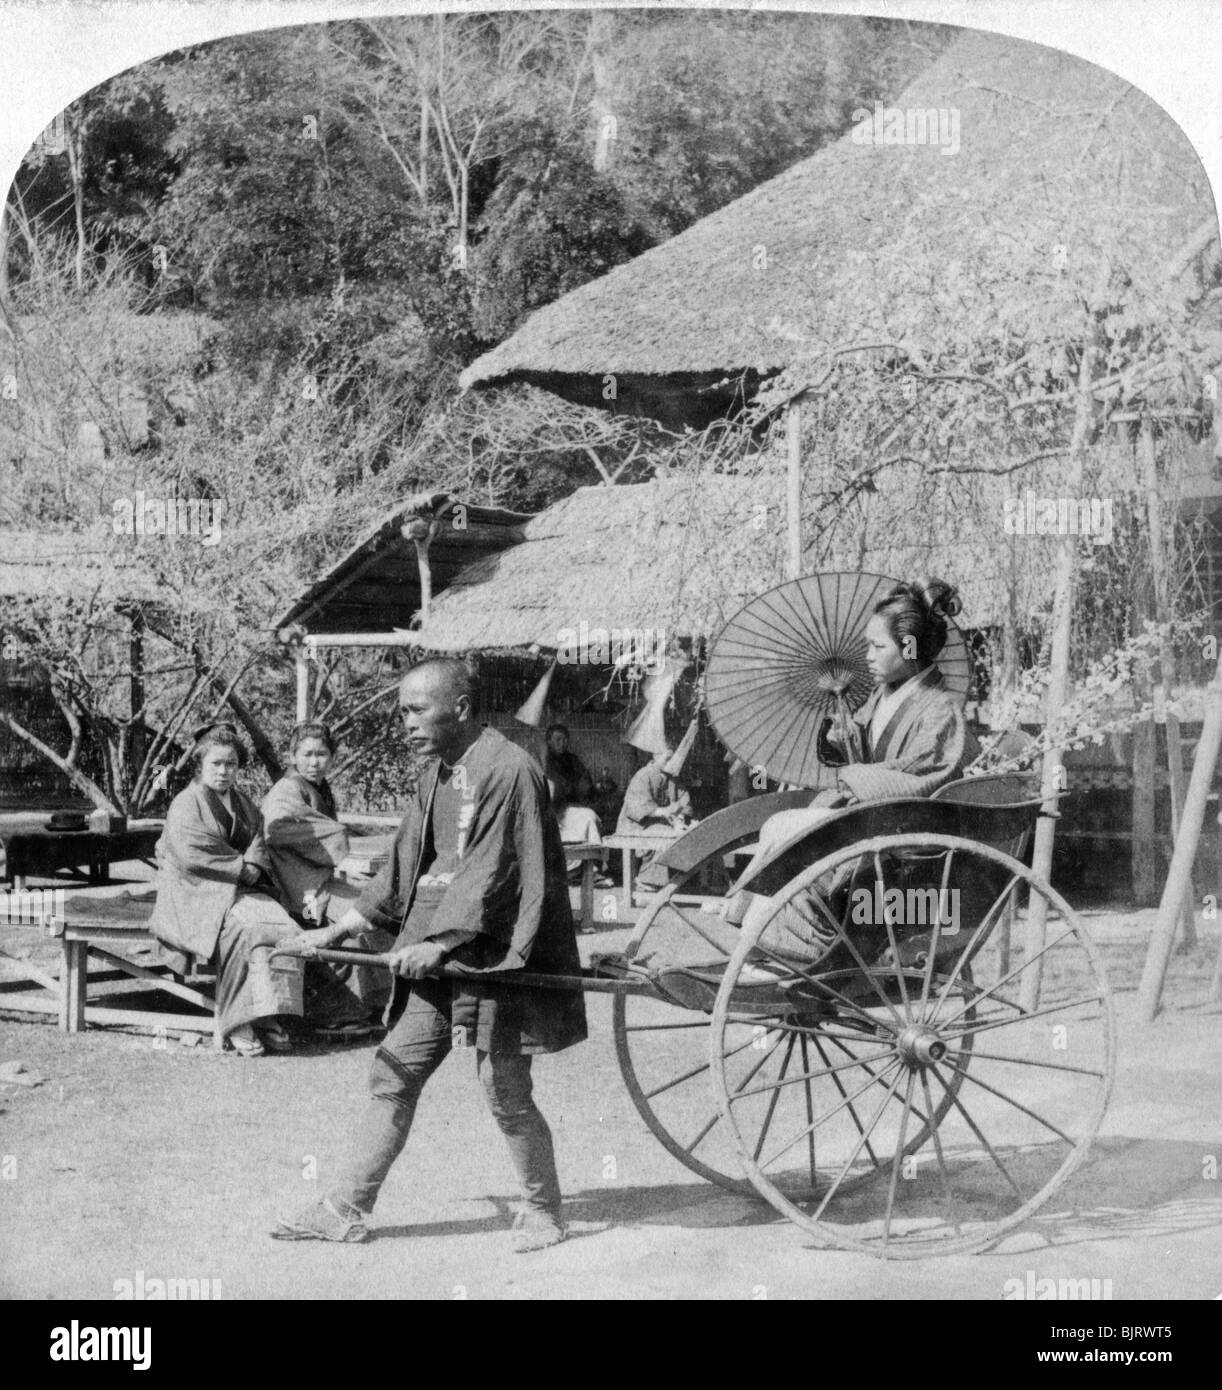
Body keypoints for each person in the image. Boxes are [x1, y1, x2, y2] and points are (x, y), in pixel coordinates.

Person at [271, 659, 588, 1252]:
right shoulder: (435, 773)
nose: (406, 723)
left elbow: (498, 873)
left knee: (505, 1089)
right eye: (403, 711)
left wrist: (439, 945)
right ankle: (345, 1207)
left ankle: (546, 1212)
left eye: (417, 710)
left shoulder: (509, 770)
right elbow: (403, 866)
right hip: (433, 951)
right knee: (393, 1071)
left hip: (496, 958)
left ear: (461, 708)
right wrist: (340, 931)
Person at [728, 578, 980, 952]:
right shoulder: (884, 695)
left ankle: (796, 943)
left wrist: (858, 778)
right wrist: (843, 734)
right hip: (871, 816)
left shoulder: (940, 709)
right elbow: (862, 747)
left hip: (902, 833)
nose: (868, 656)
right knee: (778, 825)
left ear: (909, 646)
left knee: (794, 835)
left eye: (878, 646)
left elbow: (927, 772)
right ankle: (755, 928)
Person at [149, 723, 309, 1058]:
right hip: (194, 893)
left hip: (234, 888)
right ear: (200, 766)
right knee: (242, 930)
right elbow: (192, 853)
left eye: (231, 764)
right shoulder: (186, 803)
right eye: (216, 764)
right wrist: (242, 869)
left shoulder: (242, 802)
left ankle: (268, 1011)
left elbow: (258, 839)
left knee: (283, 926)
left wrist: (250, 867)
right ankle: (238, 1020)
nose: (224, 771)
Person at [261, 722, 390, 1034]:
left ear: (332, 757)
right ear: (292, 756)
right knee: (349, 920)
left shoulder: (319, 789)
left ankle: (374, 1004)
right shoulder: (286, 790)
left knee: (372, 908)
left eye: (322, 754)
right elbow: (275, 829)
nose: (314, 762)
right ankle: (339, 1013)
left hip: (316, 877)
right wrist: (336, 843)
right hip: (298, 887)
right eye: (306, 755)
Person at [543, 723, 611, 885]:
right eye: (558, 739)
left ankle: (590, 868)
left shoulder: (572, 760)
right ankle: (587, 870)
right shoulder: (545, 761)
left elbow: (584, 783)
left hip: (571, 807)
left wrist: (593, 788)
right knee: (588, 817)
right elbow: (555, 789)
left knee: (590, 816)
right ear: (549, 741)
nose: (562, 743)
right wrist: (570, 788)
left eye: (565, 740)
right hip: (554, 810)